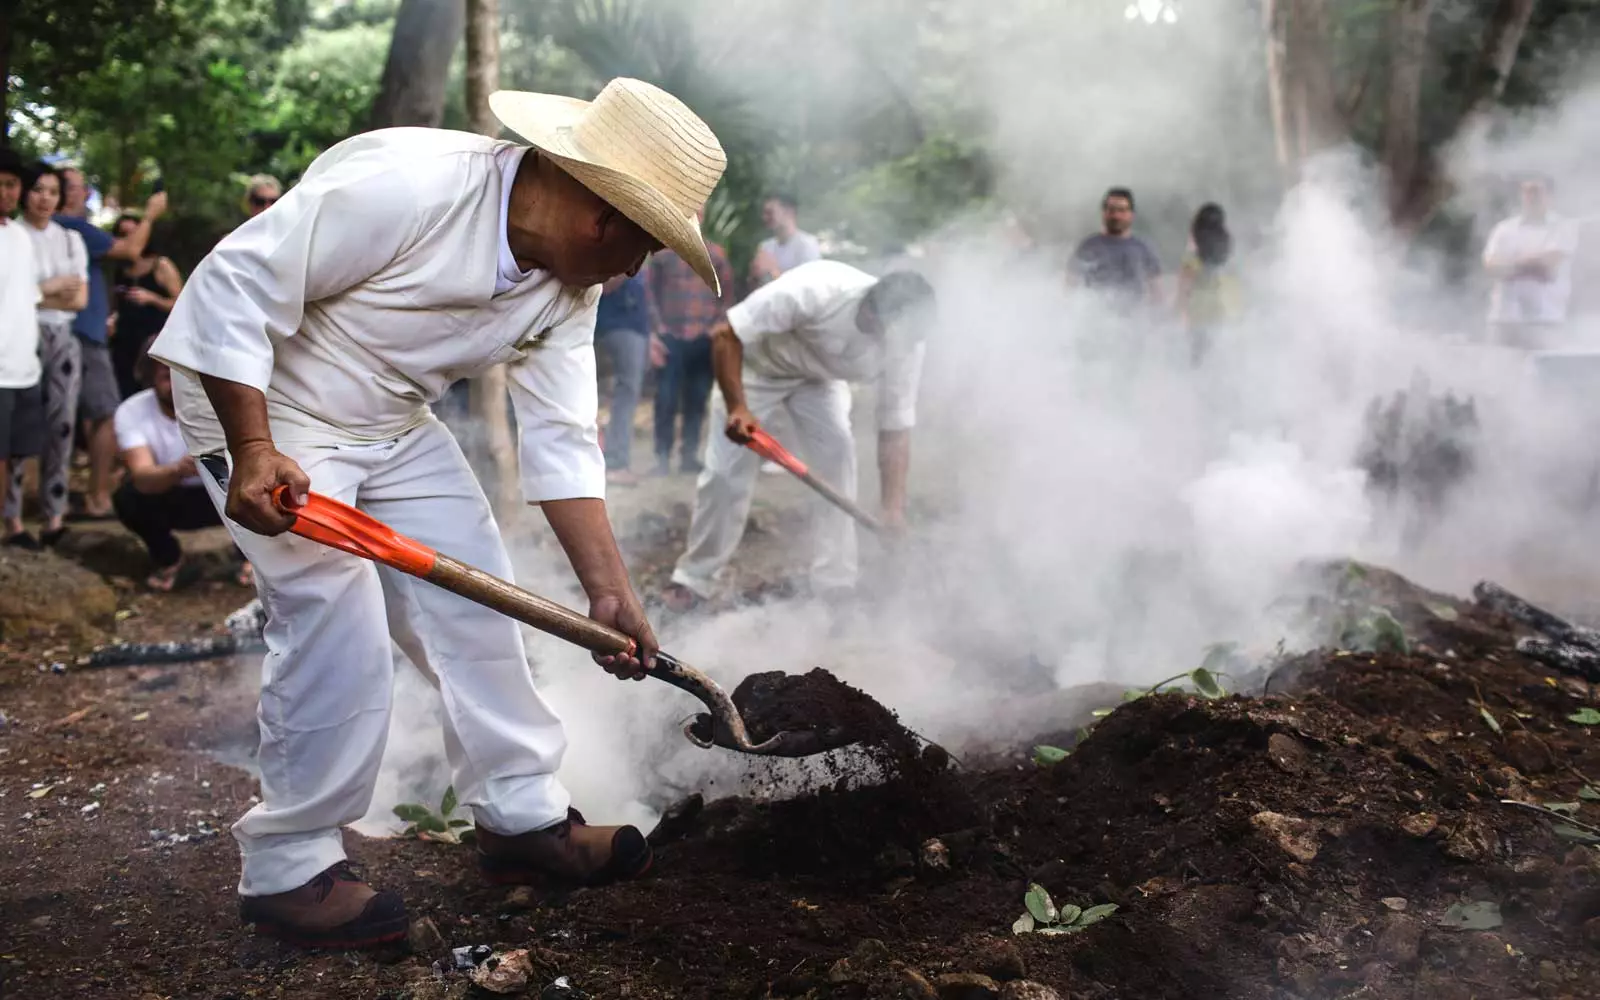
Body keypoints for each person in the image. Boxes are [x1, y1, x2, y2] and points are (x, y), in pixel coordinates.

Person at [147, 77, 725, 949]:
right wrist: (255, 449)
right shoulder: (411, 187)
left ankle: (521, 821)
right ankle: (288, 868)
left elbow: (564, 439)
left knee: (479, 601)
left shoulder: (572, 288)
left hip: (391, 419)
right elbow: (230, 291)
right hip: (267, 408)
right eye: (643, 249)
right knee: (333, 614)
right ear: (601, 219)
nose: (635, 272)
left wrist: (610, 595)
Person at [664, 260, 935, 610]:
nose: (896, 346)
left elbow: (896, 427)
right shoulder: (815, 290)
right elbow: (725, 334)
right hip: (756, 370)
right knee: (725, 474)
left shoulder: (908, 344)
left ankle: (835, 582)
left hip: (820, 382)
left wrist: (893, 508)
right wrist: (737, 407)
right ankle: (694, 580)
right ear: (872, 312)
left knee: (839, 457)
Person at [55, 167, 168, 519]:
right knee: (105, 413)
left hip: (89, 334)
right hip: (83, 336)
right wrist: (151, 214)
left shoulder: (62, 233)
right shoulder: (72, 228)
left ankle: (62, 498)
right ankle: (98, 497)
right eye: (78, 187)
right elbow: (130, 250)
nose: (86, 193)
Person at [112, 341, 251, 590]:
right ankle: (168, 559)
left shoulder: (219, 402)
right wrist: (178, 469)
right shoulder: (131, 411)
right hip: (172, 493)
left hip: (225, 490)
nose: (177, 385)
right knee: (128, 497)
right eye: (167, 377)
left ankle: (252, 560)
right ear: (151, 378)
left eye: (183, 376)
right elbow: (142, 476)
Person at [4, 163, 88, 549]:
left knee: (62, 424)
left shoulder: (70, 239)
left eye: (53, 191)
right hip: (20, 334)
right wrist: (51, 288)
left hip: (61, 336)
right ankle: (13, 516)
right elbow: (20, 295)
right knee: (19, 432)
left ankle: (54, 515)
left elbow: (80, 298)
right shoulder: (14, 233)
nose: (45, 198)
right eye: (37, 189)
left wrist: (40, 291)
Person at [648, 237, 735, 476]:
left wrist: (715, 327)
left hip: (704, 338)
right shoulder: (662, 253)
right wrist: (658, 327)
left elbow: (726, 296)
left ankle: (689, 456)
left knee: (696, 399)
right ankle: (663, 457)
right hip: (671, 337)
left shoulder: (715, 254)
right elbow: (650, 292)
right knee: (665, 398)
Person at [0, 150, 45, 528]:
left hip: (24, 364)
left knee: (19, 452)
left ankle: (12, 526)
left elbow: (28, 297)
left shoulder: (19, 236)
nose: (5, 192)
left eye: (11, 184)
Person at [1483, 175, 1579, 350]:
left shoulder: (1563, 227)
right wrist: (1533, 265)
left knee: (1544, 374)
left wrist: (1509, 267)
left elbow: (1549, 265)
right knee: (1498, 374)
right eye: (1526, 192)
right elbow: (1491, 267)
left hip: (1546, 320)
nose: (1530, 197)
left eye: (1536, 192)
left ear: (1550, 196)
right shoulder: (1504, 229)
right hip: (1505, 320)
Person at [109, 213, 184, 399]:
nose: (129, 238)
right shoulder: (121, 270)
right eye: (123, 233)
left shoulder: (160, 265)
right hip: (124, 345)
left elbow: (181, 305)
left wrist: (152, 299)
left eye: (133, 232)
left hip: (153, 342)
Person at [593, 270, 652, 486]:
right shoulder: (621, 246)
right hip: (616, 325)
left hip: (631, 326)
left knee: (622, 393)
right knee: (624, 393)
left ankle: (610, 461)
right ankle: (615, 465)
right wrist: (629, 265)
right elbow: (603, 283)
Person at [1068, 186, 1162, 311]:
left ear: (1131, 214)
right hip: (1094, 319)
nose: (1116, 215)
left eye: (1122, 210)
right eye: (1111, 210)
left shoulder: (1143, 248)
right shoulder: (1088, 246)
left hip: (1134, 322)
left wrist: (1155, 320)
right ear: (1104, 212)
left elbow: (1156, 292)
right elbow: (1070, 286)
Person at [1174, 203, 1239, 363]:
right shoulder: (1227, 257)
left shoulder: (1192, 260)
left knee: (1198, 364)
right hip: (1224, 317)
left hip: (1199, 320)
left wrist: (1176, 314)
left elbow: (1184, 292)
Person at [749, 192, 822, 289]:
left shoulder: (807, 245)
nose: (764, 217)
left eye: (770, 212)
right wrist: (755, 276)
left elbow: (808, 290)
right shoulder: (766, 246)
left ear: (789, 212)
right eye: (764, 213)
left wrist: (773, 271)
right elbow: (756, 290)